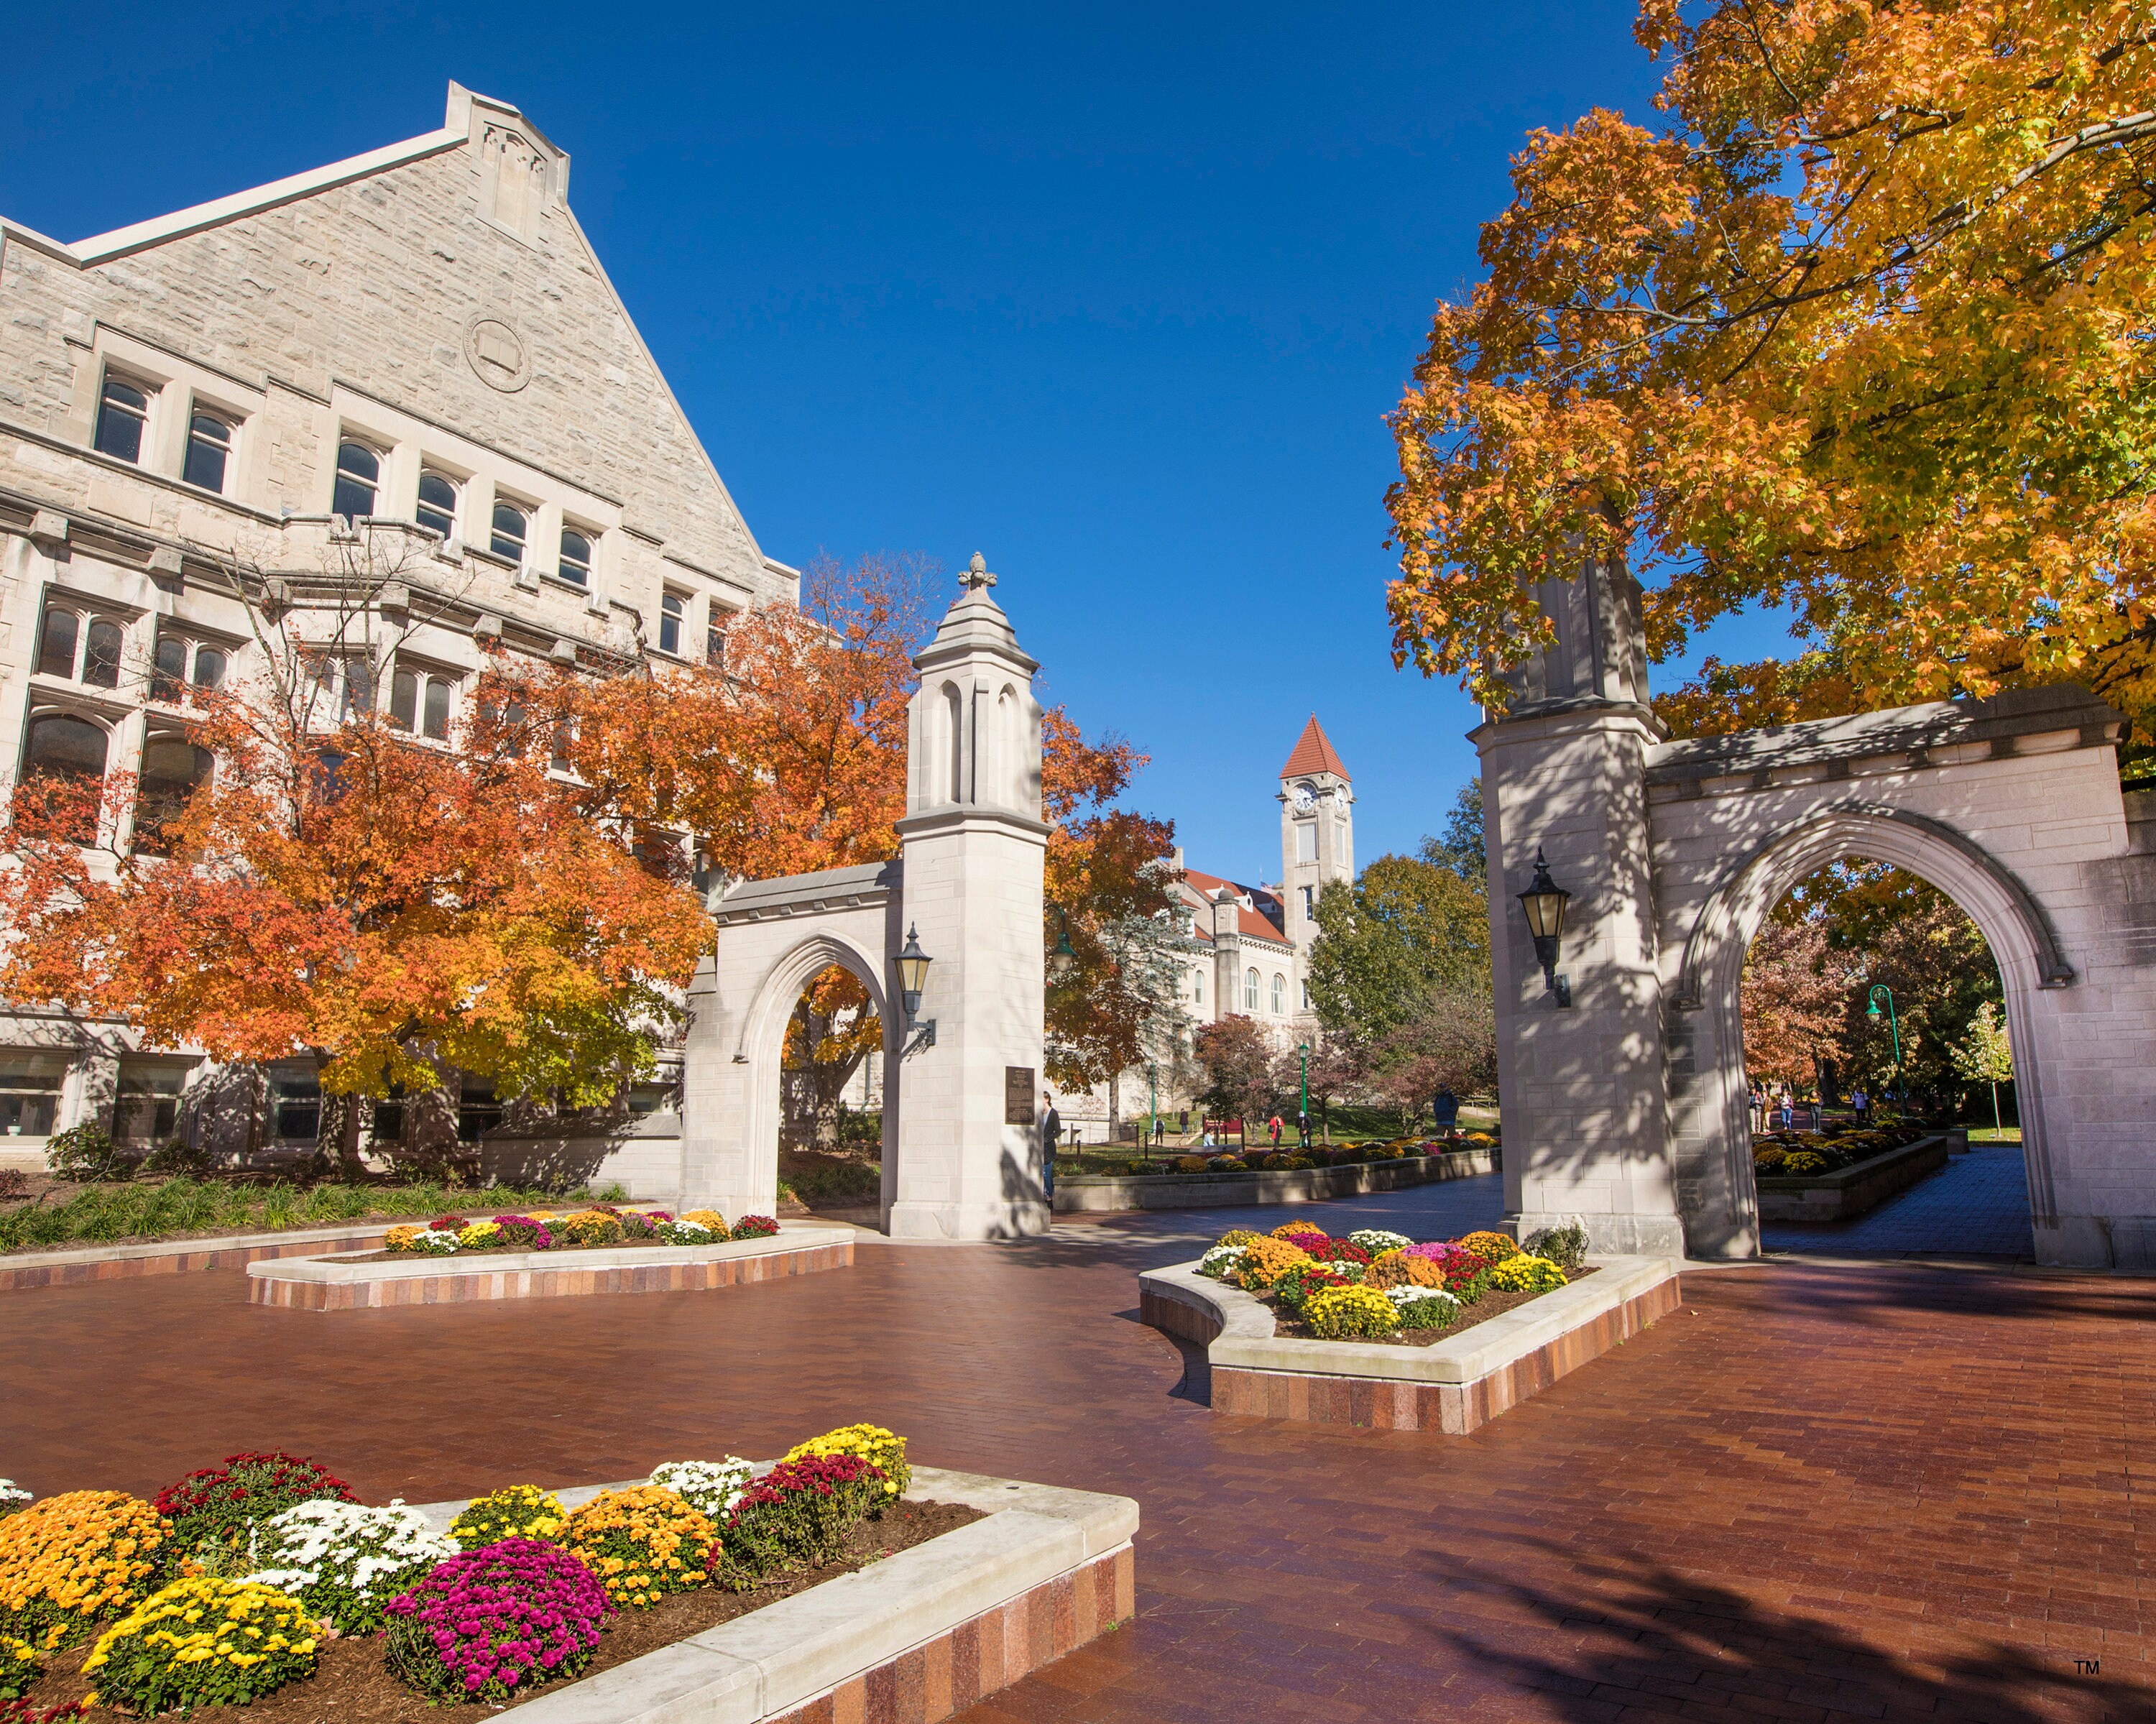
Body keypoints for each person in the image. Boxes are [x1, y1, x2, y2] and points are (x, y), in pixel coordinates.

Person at [1041, 1092, 1061, 1201]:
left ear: (1047, 1100)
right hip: (1039, 1147)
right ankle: (1043, 1193)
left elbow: (1058, 1131)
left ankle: (1049, 1195)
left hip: (1048, 1148)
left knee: (1046, 1172)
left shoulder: (1053, 1114)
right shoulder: (1039, 1113)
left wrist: (1047, 1139)